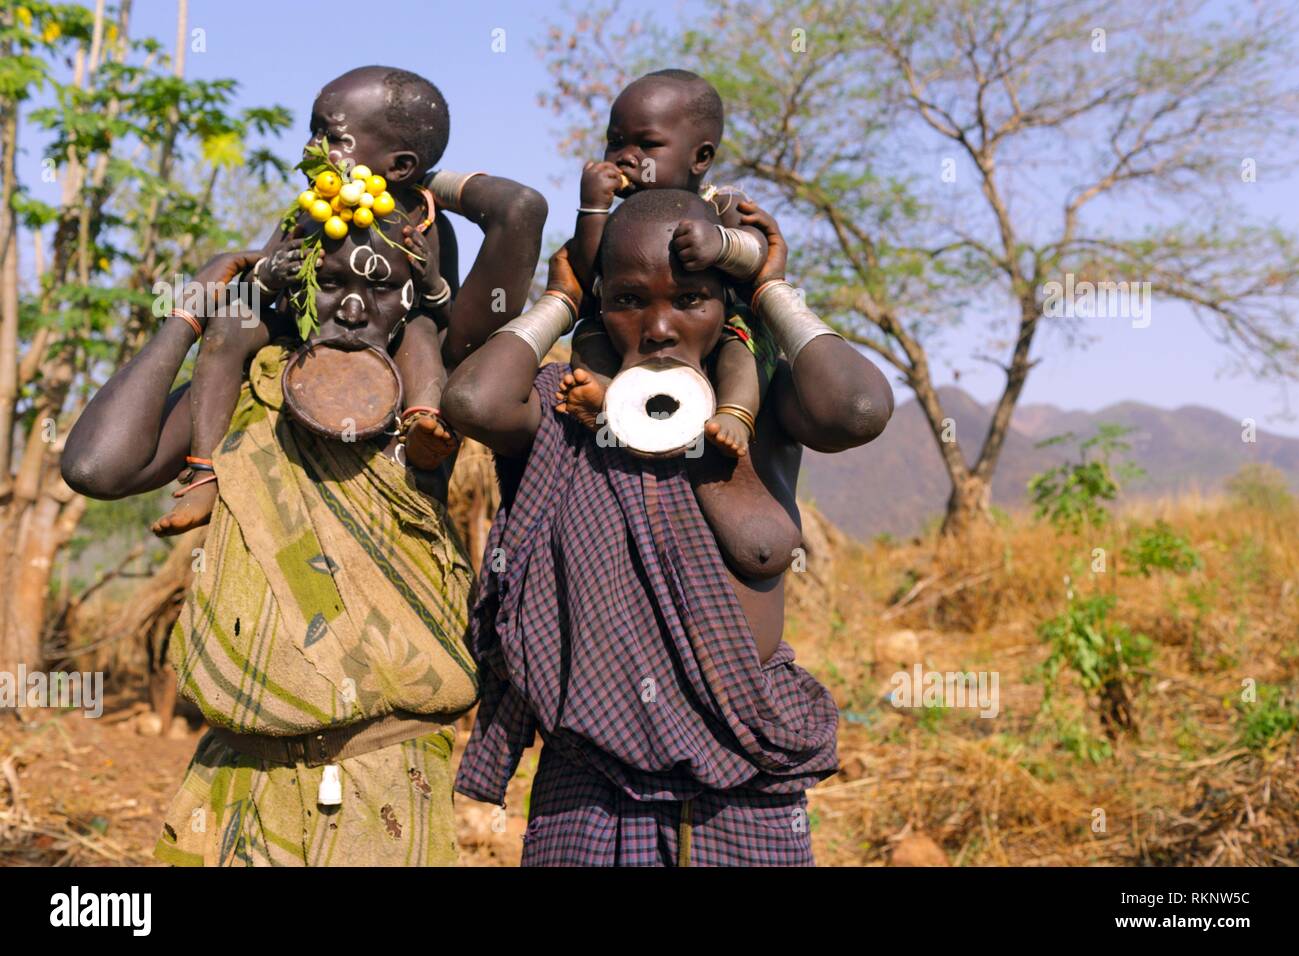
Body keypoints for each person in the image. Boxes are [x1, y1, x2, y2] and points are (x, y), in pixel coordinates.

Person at [61, 157, 546, 865]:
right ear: (295, 290)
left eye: (380, 287)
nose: (353, 307)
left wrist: (395, 174)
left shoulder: (435, 399)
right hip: (231, 786)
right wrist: (191, 313)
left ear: (412, 300)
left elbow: (520, 212)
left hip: (383, 791)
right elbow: (95, 467)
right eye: (333, 282)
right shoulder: (239, 397)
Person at [441, 188, 893, 866]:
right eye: (626, 300)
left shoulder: (762, 410)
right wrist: (559, 300)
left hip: (746, 783)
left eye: (690, 300)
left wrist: (772, 289)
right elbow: (472, 401)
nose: (657, 328)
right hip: (587, 790)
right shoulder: (563, 412)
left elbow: (858, 407)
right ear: (600, 304)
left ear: (726, 305)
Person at [153, 66, 462, 536]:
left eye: (331, 135)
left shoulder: (424, 221)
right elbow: (264, 281)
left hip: (388, 342)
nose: (313, 148)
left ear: (399, 167)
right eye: (313, 131)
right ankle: (205, 470)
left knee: (418, 327)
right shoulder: (309, 209)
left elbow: (446, 317)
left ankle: (421, 425)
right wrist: (270, 276)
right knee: (231, 323)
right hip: (298, 329)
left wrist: (433, 281)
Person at [559, 69, 778, 458]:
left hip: (719, 330)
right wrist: (592, 208)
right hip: (632, 336)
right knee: (590, 333)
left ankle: (736, 413)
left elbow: (761, 250)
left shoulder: (721, 204)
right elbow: (589, 273)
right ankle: (608, 401)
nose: (626, 157)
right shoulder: (617, 222)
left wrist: (721, 245)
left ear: (700, 158)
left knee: (745, 337)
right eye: (616, 143)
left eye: (648, 145)